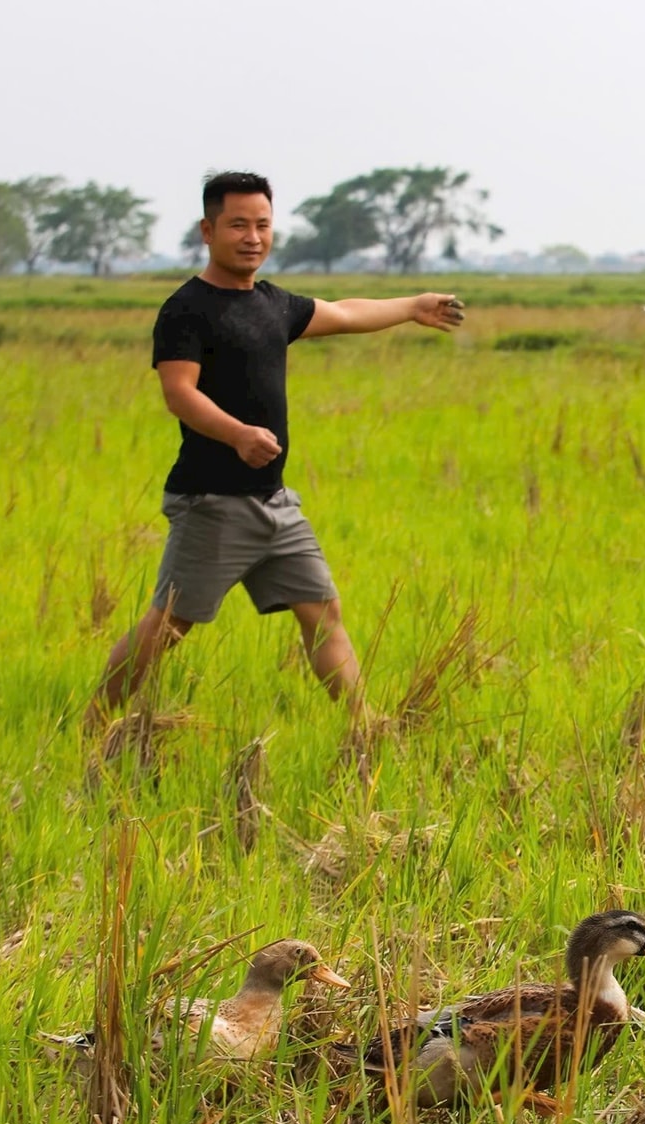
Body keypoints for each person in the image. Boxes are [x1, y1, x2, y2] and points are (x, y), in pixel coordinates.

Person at [89, 171, 464, 733]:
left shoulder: (272, 303)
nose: (252, 237)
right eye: (238, 224)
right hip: (211, 500)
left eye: (262, 224)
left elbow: (343, 313)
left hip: (274, 502)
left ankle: (366, 727)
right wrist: (238, 433)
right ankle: (93, 719)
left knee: (322, 612)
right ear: (208, 230)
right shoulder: (186, 309)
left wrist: (412, 306)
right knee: (170, 623)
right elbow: (179, 393)